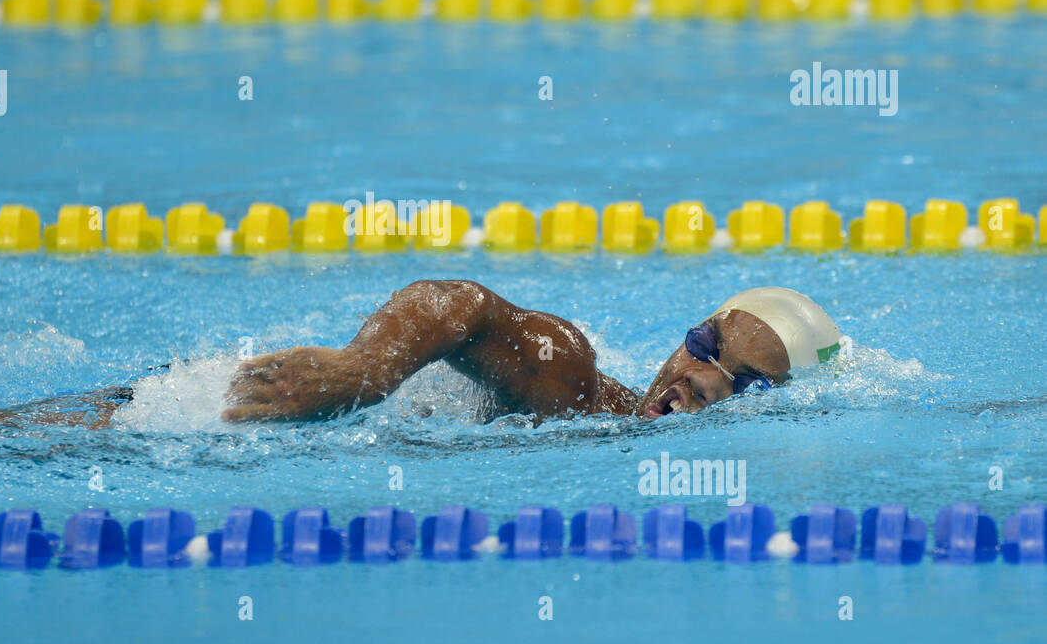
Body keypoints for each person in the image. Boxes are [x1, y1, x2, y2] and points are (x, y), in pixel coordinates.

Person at [223, 280, 842, 423]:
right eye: (705, 346)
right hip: (218, 403)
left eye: (747, 383)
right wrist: (363, 369)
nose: (702, 376)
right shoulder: (570, 381)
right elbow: (460, 304)